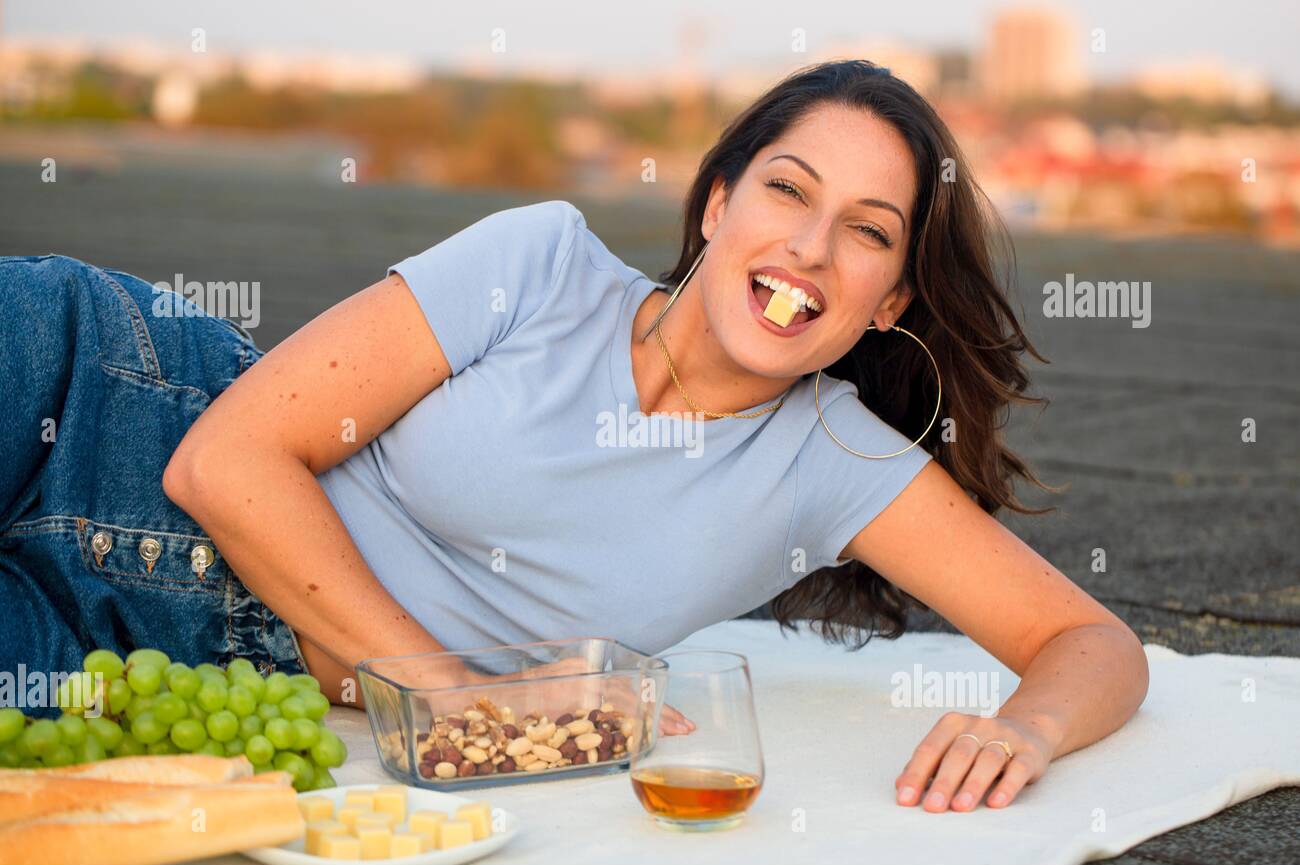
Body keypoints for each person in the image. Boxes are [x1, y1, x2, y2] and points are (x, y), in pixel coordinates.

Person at [0, 60, 1147, 811]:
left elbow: (1090, 642)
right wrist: (449, 699)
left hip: (152, 661)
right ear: (716, 204)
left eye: (865, 232)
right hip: (105, 390)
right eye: (787, 191)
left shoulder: (834, 465)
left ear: (889, 301)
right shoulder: (540, 262)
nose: (807, 248)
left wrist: (1027, 732)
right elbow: (226, 457)